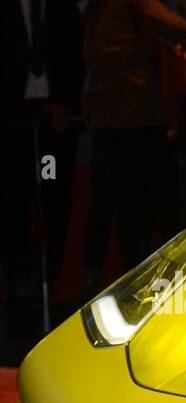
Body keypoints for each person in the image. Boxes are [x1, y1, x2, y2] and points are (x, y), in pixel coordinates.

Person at [81, 0, 186, 299]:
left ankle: (102, 284)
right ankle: (146, 290)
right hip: (137, 115)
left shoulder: (94, 10)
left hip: (106, 117)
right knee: (145, 211)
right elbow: (179, 27)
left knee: (114, 210)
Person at [1, 0, 83, 341]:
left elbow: (76, 58)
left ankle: (51, 275)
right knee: (14, 197)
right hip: (11, 121)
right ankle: (19, 280)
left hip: (54, 124)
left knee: (52, 191)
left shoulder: (63, 8)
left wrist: (66, 104)